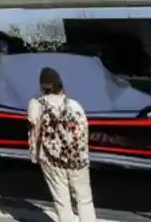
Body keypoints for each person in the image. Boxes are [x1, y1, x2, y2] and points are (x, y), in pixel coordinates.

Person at [28, 67, 95, 222]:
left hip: (51, 160)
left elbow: (34, 127)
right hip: (78, 160)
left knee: (62, 202)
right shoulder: (75, 105)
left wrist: (33, 154)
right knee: (84, 200)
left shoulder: (36, 104)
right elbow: (84, 133)